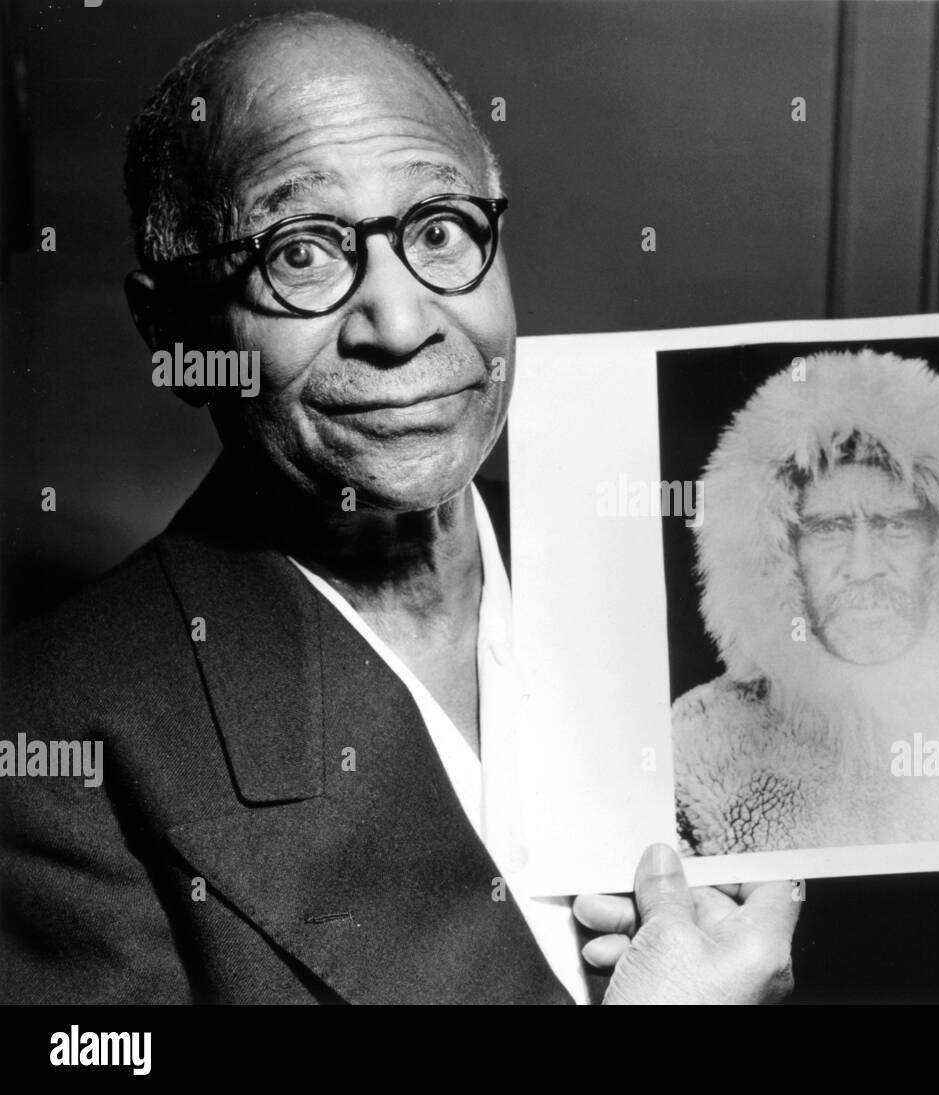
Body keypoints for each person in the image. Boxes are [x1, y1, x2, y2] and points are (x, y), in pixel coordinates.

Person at [0, 11, 797, 1006]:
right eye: (301, 251)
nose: (403, 321)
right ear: (171, 330)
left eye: (438, 228)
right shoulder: (50, 749)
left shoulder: (704, 586)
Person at [673, 350, 939, 853]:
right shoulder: (696, 748)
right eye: (828, 530)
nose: (862, 566)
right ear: (778, 553)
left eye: (895, 526)